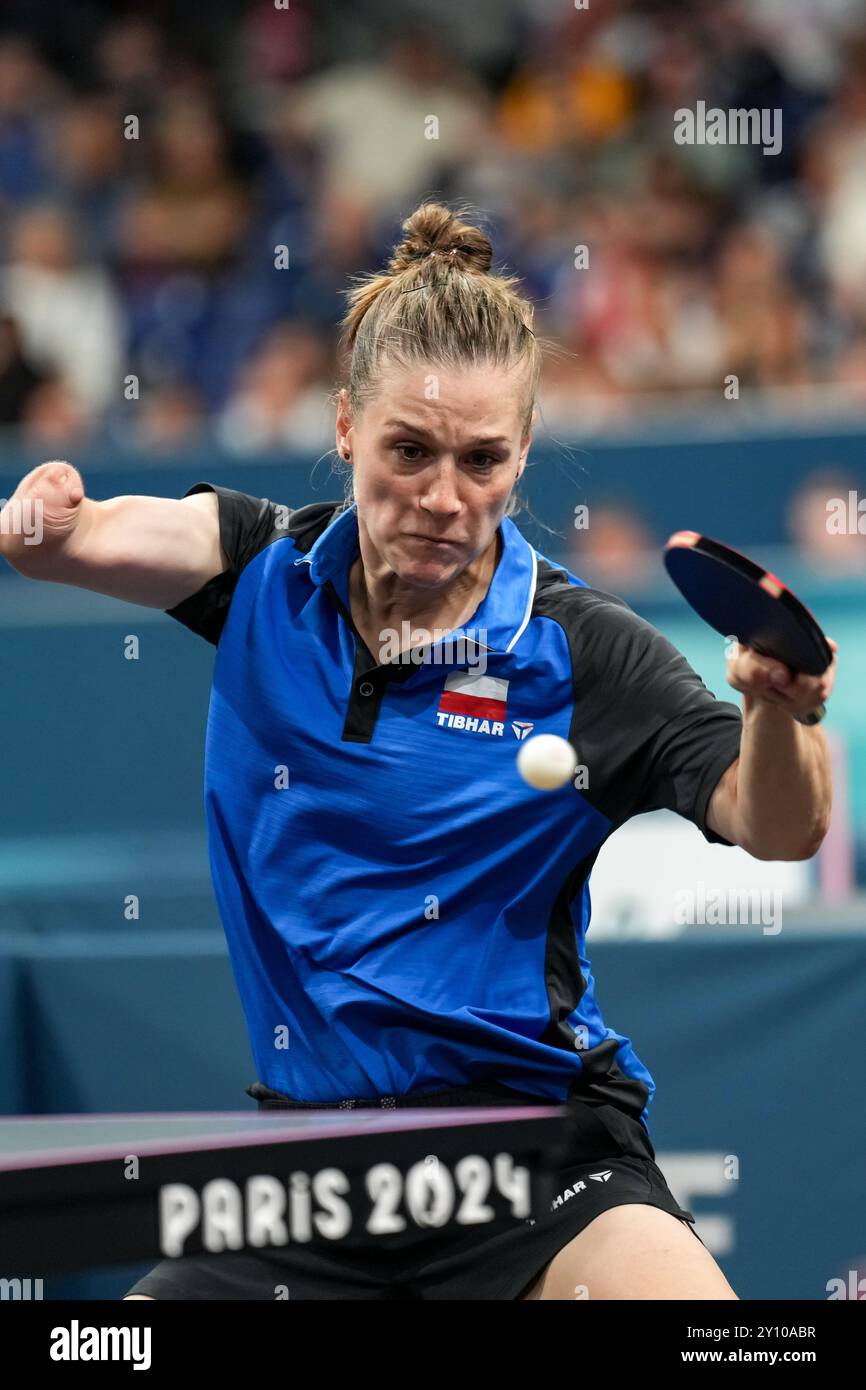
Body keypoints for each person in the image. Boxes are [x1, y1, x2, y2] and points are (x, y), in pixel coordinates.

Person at [0, 203, 835, 1300]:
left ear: (523, 451)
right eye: (409, 450)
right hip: (304, 1179)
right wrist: (48, 524)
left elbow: (779, 826)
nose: (444, 498)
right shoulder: (260, 571)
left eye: (483, 459)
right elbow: (91, 537)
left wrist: (783, 713)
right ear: (345, 426)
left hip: (539, 1159)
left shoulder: (581, 653)